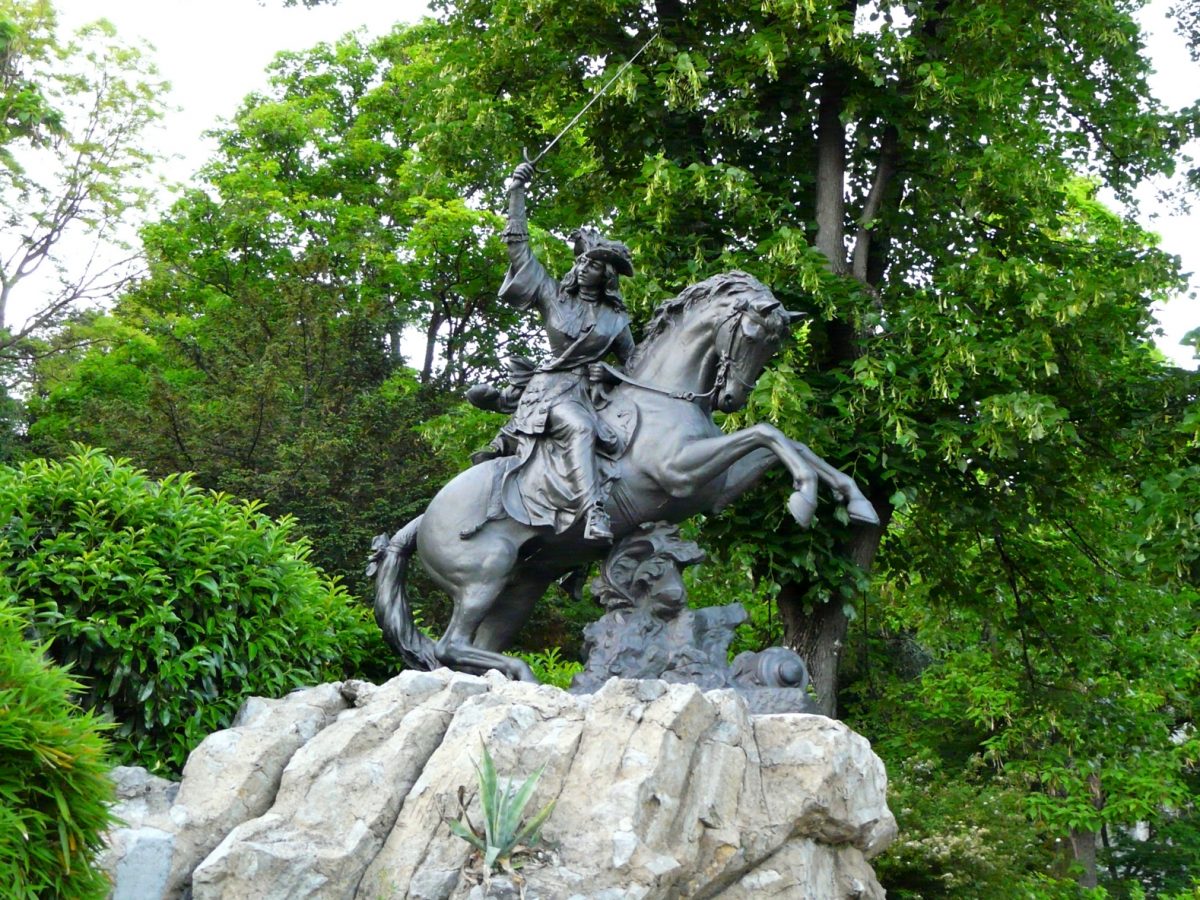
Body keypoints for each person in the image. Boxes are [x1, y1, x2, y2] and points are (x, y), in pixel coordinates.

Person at [466, 161, 636, 543]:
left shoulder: (615, 320)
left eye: (595, 264)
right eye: (584, 260)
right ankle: (593, 513)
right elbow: (519, 250)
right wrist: (516, 191)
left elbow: (634, 362)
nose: (585, 267)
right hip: (551, 392)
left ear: (606, 275)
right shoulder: (552, 296)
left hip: (593, 393)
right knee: (578, 427)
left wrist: (611, 374)